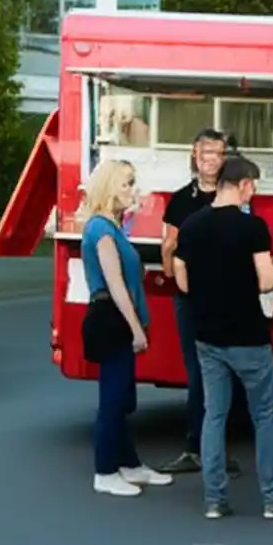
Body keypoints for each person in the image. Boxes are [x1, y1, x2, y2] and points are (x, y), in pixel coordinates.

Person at [173, 156, 273, 520]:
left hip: (207, 335)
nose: (255, 192)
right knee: (263, 415)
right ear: (244, 184)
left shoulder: (192, 225)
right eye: (254, 186)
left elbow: (180, 275)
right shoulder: (253, 228)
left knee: (214, 415)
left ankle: (215, 500)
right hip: (248, 336)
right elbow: (265, 280)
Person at [80, 159, 174, 496]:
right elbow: (115, 284)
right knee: (113, 399)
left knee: (123, 398)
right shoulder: (100, 230)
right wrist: (136, 328)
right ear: (109, 188)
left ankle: (129, 465)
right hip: (111, 319)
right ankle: (105, 472)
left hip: (114, 317)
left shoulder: (114, 227)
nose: (132, 190)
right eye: (126, 184)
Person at [159, 128, 243, 477]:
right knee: (197, 374)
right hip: (191, 299)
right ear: (194, 155)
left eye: (218, 153)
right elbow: (168, 256)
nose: (211, 158)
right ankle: (195, 446)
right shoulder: (179, 201)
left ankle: (219, 448)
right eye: (205, 152)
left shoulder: (234, 198)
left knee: (227, 374)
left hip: (227, 297)